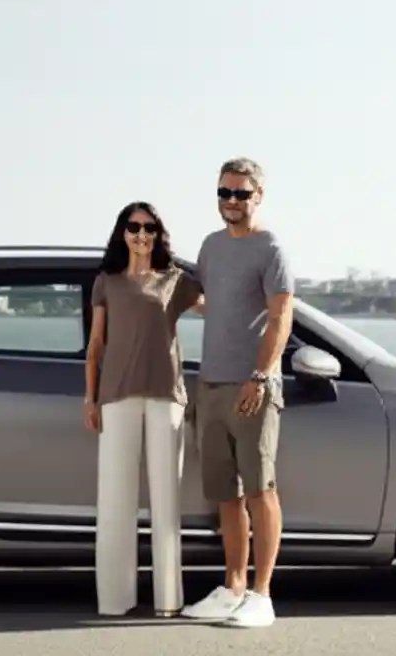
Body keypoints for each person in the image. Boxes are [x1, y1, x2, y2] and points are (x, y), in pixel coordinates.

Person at [180, 157, 293, 628]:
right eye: (224, 193)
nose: (231, 201)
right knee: (225, 494)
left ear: (259, 196)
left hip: (253, 387)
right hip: (211, 385)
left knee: (260, 491)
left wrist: (261, 375)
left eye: (240, 194)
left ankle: (262, 596)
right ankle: (233, 588)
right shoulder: (211, 246)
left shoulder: (271, 248)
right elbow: (214, 303)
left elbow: (281, 315)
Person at [84, 201, 203, 618]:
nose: (141, 234)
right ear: (123, 232)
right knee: (115, 500)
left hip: (166, 396)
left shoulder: (175, 281)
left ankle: (169, 601)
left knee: (166, 500)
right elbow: (96, 345)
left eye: (149, 227)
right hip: (116, 396)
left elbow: (218, 307)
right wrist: (90, 397)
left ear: (158, 233)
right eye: (134, 227)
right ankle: (115, 600)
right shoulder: (108, 282)